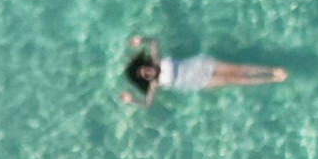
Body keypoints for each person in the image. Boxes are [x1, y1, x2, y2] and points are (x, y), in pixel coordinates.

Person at [121, 39, 286, 100]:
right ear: (147, 79)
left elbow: (153, 42)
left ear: (147, 65)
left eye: (145, 69)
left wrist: (140, 40)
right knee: (235, 80)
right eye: (145, 76)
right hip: (199, 82)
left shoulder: (158, 61)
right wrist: (131, 99)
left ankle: (272, 69)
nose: (148, 73)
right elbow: (147, 104)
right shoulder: (155, 85)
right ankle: (270, 78)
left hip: (200, 65)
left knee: (237, 69)